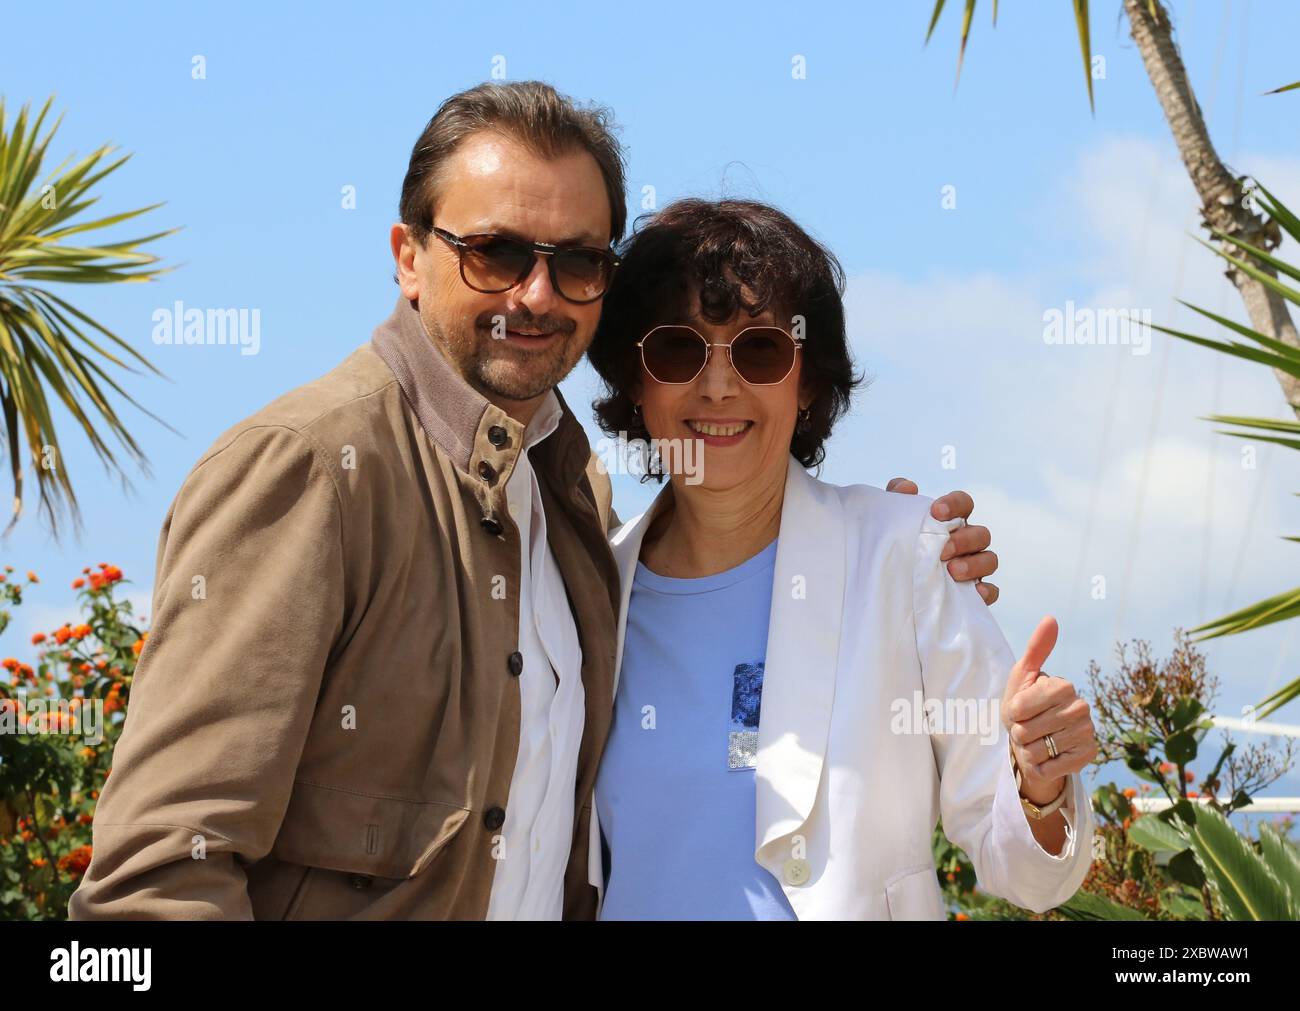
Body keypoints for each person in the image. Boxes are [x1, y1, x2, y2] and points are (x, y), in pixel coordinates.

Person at [69, 82, 999, 921]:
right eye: (496, 252)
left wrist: (894, 550)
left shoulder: (569, 503)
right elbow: (160, 876)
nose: (538, 293)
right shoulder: (310, 468)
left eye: (578, 261)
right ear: (407, 256)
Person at [585, 198, 1097, 919]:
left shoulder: (907, 554)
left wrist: (1040, 779)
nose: (720, 384)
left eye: (760, 348)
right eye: (679, 348)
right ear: (636, 382)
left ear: (811, 378)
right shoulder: (586, 587)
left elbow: (1026, 868)